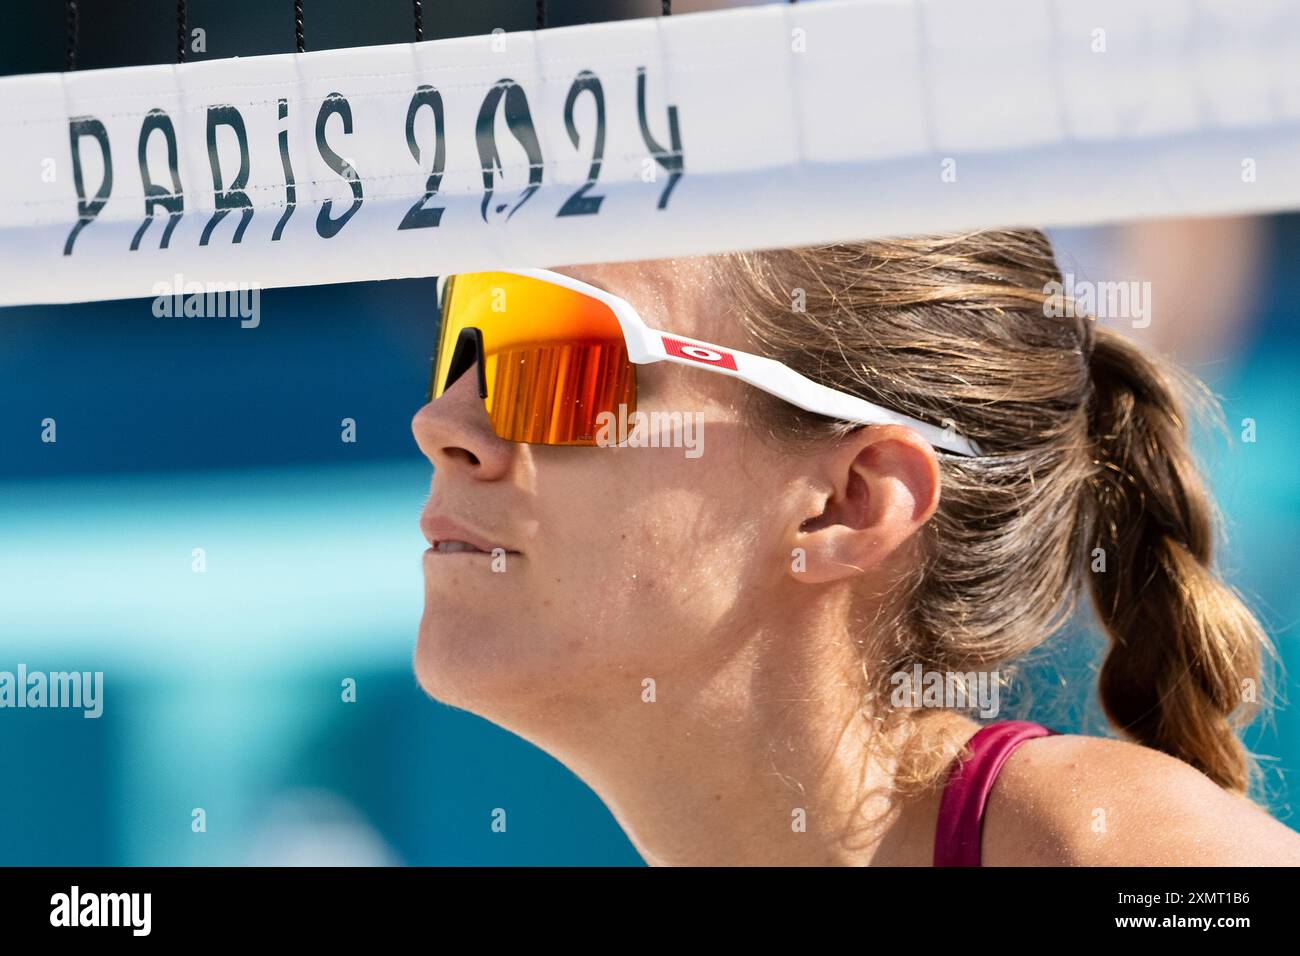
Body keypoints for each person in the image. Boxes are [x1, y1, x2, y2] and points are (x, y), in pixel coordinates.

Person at [410, 231, 1300, 865]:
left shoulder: (1114, 851)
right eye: (471, 334)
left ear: (850, 502)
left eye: (561, 357)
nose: (442, 422)